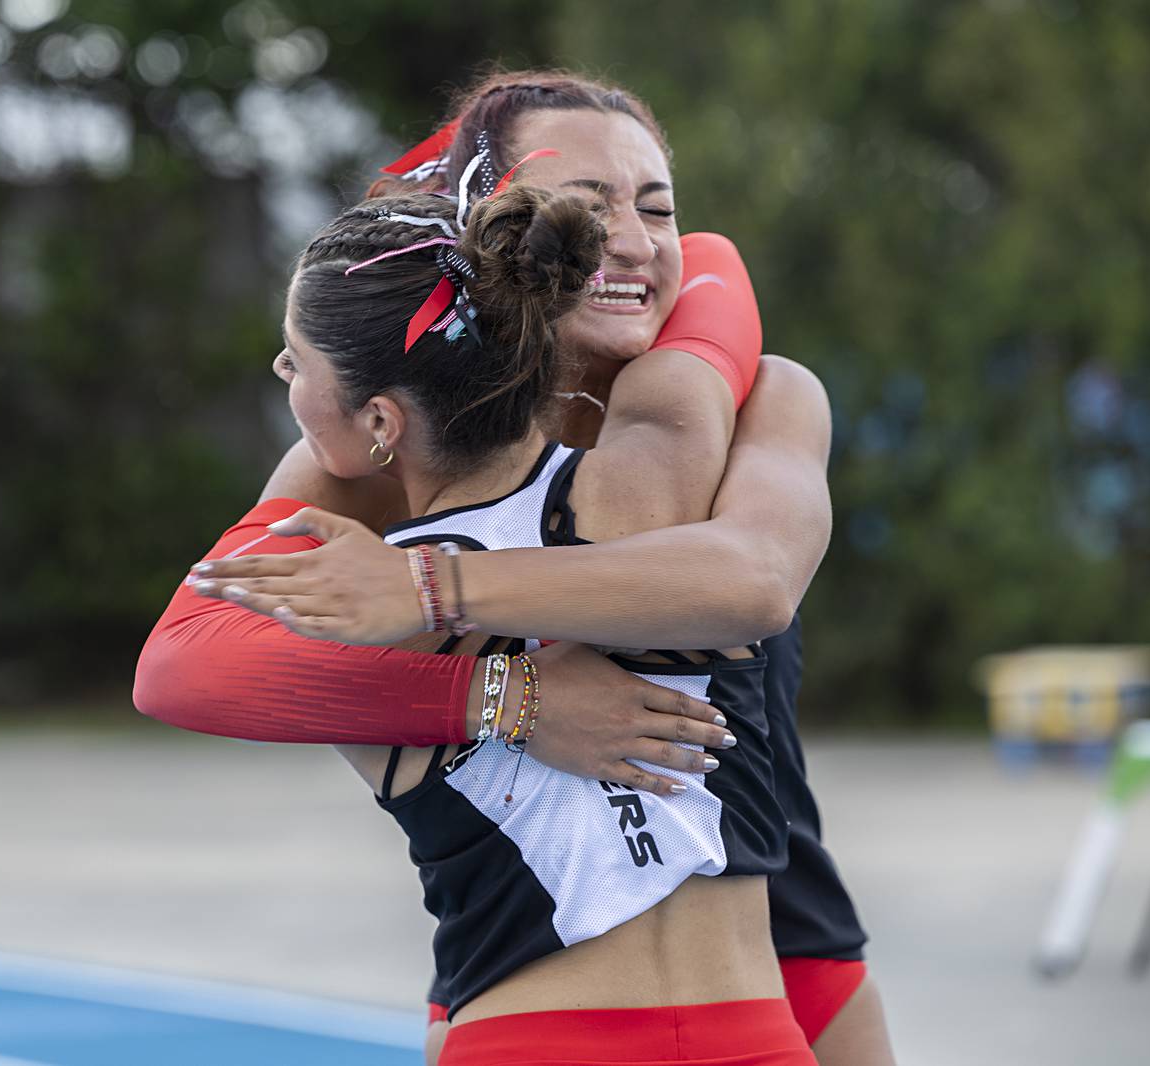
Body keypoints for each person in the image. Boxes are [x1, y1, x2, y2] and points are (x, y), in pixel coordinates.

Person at [138, 72, 892, 1064]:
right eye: (583, 207)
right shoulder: (367, 459)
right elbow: (186, 662)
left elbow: (749, 569)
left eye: (656, 206)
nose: (627, 239)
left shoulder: (746, 398)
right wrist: (504, 693)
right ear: (492, 221)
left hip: (781, 936)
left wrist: (427, 593)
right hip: (531, 967)